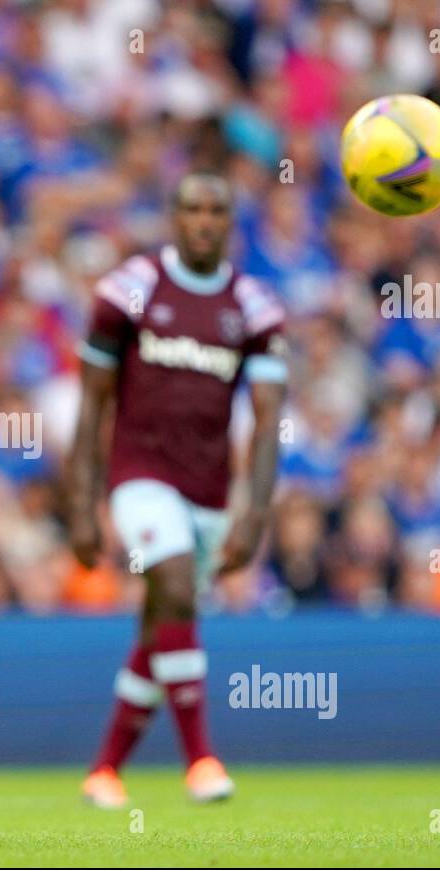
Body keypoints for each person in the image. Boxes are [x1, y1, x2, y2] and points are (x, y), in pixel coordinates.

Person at [68, 173, 287, 807]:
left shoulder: (255, 307)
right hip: (138, 476)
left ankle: (105, 770)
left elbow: (270, 422)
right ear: (174, 215)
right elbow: (91, 407)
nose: (203, 220)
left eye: (215, 210)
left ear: (230, 222)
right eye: (191, 208)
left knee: (162, 626)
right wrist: (81, 506)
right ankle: (203, 761)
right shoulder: (128, 290)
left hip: (211, 492)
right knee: (169, 582)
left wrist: (253, 515)